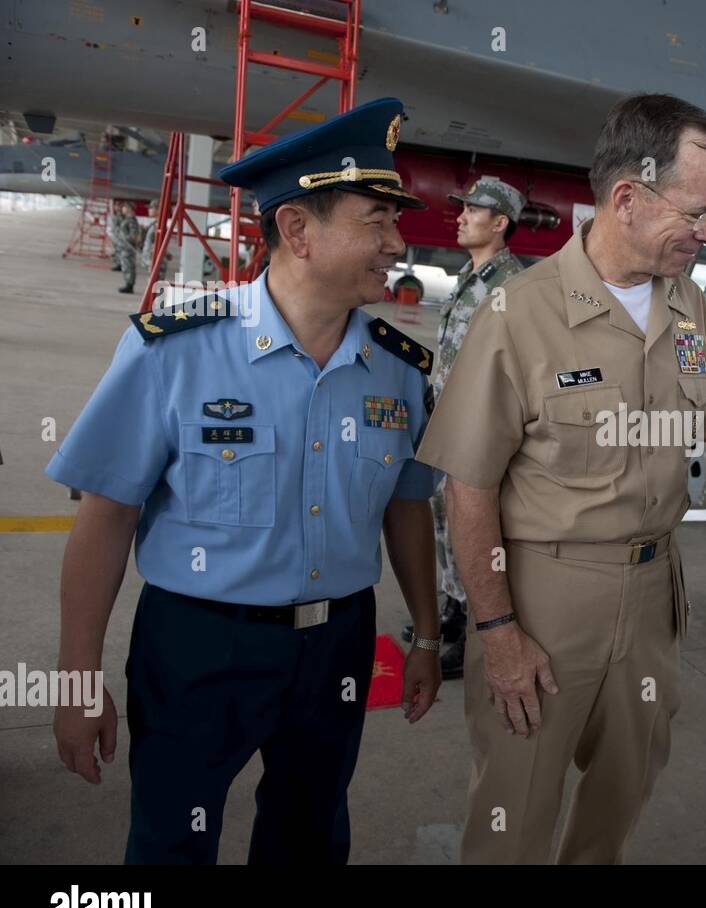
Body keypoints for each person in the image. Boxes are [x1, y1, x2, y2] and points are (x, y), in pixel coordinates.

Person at [418, 92, 706, 864]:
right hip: (546, 598)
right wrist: (498, 632)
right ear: (627, 197)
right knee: (515, 811)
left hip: (656, 592)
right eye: (697, 213)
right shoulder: (517, 315)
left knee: (622, 793)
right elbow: (468, 486)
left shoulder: (688, 302)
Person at [45, 97, 442, 864]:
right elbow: (105, 519)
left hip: (338, 643)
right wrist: (76, 676)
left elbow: (407, 503)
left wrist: (424, 633)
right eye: (376, 220)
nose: (398, 242)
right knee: (170, 841)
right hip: (199, 643)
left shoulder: (399, 368)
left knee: (310, 833)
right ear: (297, 229)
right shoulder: (176, 349)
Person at [404, 176, 524, 680]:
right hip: (447, 426)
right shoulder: (470, 279)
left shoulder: (511, 286)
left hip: (478, 432)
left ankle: (477, 625)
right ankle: (453, 614)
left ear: (499, 223)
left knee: (472, 527)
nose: (460, 216)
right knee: (443, 520)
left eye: (473, 210)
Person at [110, 199, 142, 294]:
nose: (122, 209)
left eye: (124, 207)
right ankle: (127, 283)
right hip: (124, 248)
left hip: (128, 249)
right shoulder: (127, 219)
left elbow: (134, 236)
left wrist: (124, 238)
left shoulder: (131, 220)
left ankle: (129, 285)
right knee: (125, 267)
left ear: (129, 209)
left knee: (129, 267)